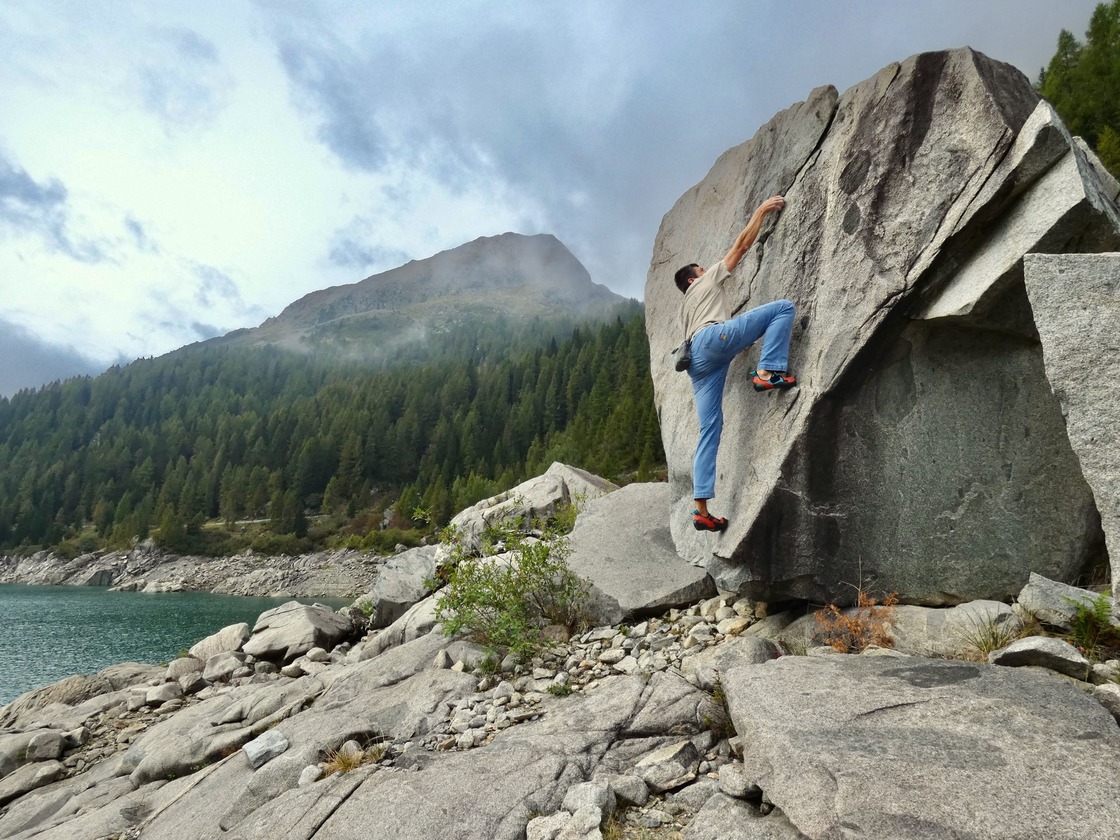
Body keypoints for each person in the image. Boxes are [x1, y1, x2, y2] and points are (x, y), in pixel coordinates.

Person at [675, 195, 796, 532]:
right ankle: (769, 371)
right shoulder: (704, 282)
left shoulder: (685, 307)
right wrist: (760, 211)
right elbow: (741, 247)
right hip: (711, 342)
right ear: (693, 279)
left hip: (696, 364)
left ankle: (701, 509)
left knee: (709, 430)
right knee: (783, 308)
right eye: (702, 271)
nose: (709, 271)